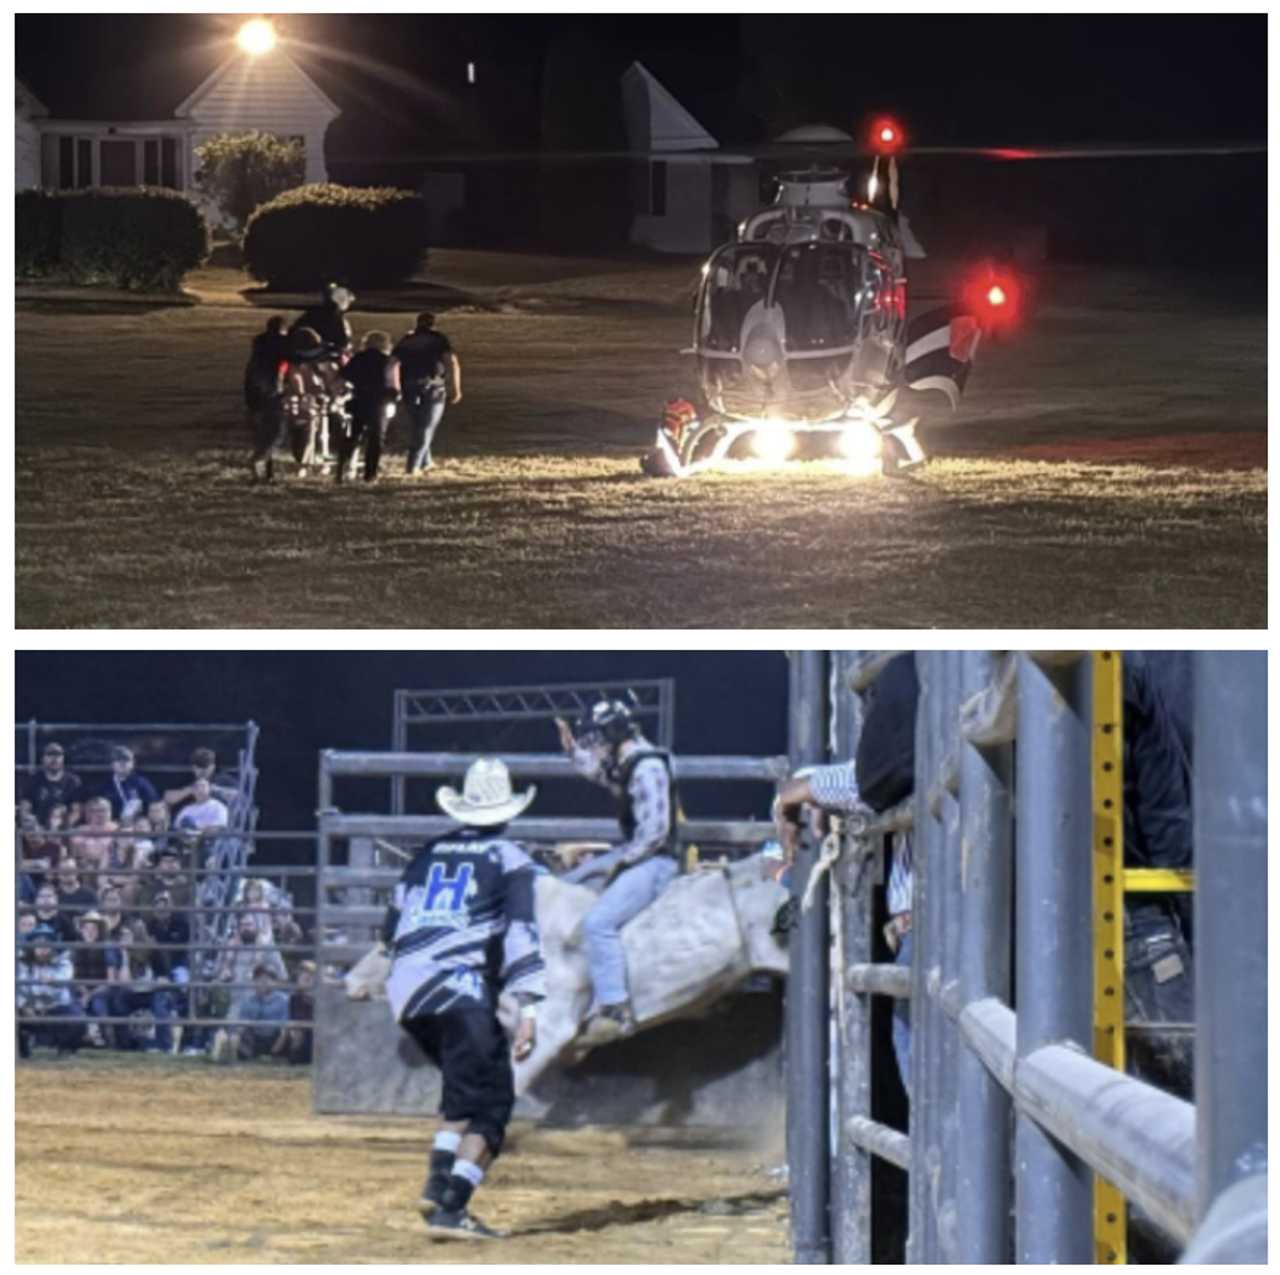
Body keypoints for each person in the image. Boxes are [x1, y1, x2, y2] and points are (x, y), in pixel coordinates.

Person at [382, 757, 546, 1241]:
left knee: (462, 1086)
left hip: (407, 991)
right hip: (459, 989)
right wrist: (529, 1006)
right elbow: (521, 932)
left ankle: (436, 1182)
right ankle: (452, 1207)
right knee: (493, 1103)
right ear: (508, 812)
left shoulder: (426, 854)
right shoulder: (512, 861)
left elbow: (391, 927)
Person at [772, 652, 919, 1099]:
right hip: (938, 910)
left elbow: (883, 773)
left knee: (917, 1044)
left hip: (936, 915)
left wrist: (805, 788)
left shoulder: (922, 669)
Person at [555, 700, 678, 1046]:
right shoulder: (627, 763)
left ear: (613, 733)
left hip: (655, 861)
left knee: (598, 923)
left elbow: (656, 833)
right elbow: (598, 772)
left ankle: (615, 1006)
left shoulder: (648, 766)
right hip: (637, 855)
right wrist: (572, 751)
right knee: (569, 886)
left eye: (597, 738)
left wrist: (618, 863)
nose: (595, 746)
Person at [393, 312, 462, 475]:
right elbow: (451, 361)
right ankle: (413, 465)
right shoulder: (439, 339)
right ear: (433, 324)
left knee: (418, 425)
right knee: (426, 426)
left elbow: (392, 362)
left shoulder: (407, 340)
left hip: (408, 385)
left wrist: (395, 387)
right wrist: (456, 388)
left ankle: (426, 462)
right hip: (433, 386)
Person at [338, 330, 401, 482]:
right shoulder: (389, 361)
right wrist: (395, 397)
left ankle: (342, 469)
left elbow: (344, 376)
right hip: (380, 402)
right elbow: (394, 383)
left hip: (359, 399)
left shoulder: (358, 359)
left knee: (353, 435)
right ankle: (370, 473)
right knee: (376, 438)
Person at [17, 924, 85, 1057]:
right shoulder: (22, 964)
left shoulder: (63, 962)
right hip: (31, 1009)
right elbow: (18, 988)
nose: (43, 949)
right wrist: (24, 1006)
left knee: (78, 1021)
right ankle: (21, 1048)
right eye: (38, 945)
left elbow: (65, 977)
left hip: (56, 1008)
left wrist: (53, 980)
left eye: (47, 945)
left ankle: (66, 1049)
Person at [246, 316, 290, 483]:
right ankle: (259, 460)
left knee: (263, 433)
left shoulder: (260, 348)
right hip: (271, 393)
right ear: (282, 330)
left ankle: (265, 474)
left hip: (255, 393)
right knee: (276, 431)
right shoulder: (281, 345)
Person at [227, 965, 290, 1060]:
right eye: (258, 979)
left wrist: (274, 1052)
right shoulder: (248, 1001)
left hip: (275, 1037)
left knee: (286, 1033)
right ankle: (243, 1057)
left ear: (275, 982)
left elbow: (285, 1028)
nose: (261, 982)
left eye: (266, 979)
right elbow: (241, 1026)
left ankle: (276, 1056)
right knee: (238, 1034)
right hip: (255, 1038)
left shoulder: (284, 1000)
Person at [19, 741, 83, 826]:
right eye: (50, 755)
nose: (54, 759)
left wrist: (64, 828)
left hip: (64, 830)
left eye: (58, 755)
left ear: (63, 758)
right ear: (43, 758)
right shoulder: (32, 780)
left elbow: (76, 811)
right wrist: (33, 826)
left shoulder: (73, 781)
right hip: (37, 830)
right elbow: (25, 809)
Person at [291, 282, 355, 360]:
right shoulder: (335, 316)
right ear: (343, 301)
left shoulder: (313, 312)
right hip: (318, 355)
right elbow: (341, 342)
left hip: (299, 353)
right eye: (348, 302)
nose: (348, 304)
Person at [98, 745, 160, 821]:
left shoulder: (141, 783)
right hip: (113, 824)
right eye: (118, 760)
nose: (122, 763)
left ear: (132, 764)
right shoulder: (104, 785)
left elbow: (154, 803)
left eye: (126, 760)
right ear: (112, 764)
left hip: (137, 826)